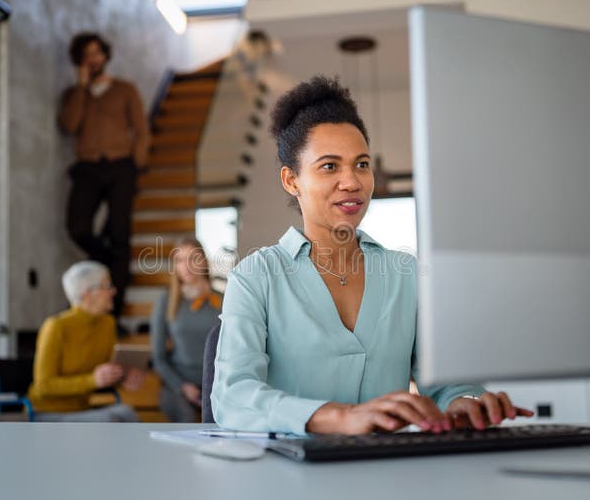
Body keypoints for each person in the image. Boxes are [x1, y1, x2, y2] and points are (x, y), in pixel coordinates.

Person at [211, 76, 535, 435]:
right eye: (330, 166)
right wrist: (340, 418)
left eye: (362, 164)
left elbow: (447, 388)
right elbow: (233, 396)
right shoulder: (255, 277)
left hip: (387, 476)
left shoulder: (407, 275)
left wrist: (468, 405)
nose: (352, 182)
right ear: (291, 180)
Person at [58, 32, 148, 319]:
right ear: (80, 61)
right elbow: (69, 125)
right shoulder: (74, 94)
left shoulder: (125, 89)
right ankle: (107, 260)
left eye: (97, 53)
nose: (93, 59)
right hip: (88, 167)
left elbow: (142, 130)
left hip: (122, 165)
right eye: (87, 55)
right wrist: (82, 88)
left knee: (120, 235)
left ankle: (114, 314)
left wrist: (137, 165)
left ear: (105, 56)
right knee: (77, 227)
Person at [28, 261, 144, 422]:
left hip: (82, 410)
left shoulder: (107, 324)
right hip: (45, 411)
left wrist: (123, 376)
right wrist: (92, 380)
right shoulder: (56, 327)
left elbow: (102, 372)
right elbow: (43, 385)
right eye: (107, 285)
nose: (113, 290)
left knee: (127, 413)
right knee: (108, 420)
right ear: (88, 294)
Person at [150, 238, 222, 422]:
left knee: (219, 420)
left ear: (204, 261)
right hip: (178, 384)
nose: (187, 266)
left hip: (217, 382)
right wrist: (182, 386)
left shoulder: (222, 300)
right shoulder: (166, 301)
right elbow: (158, 357)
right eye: (180, 260)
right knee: (186, 419)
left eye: (193, 258)